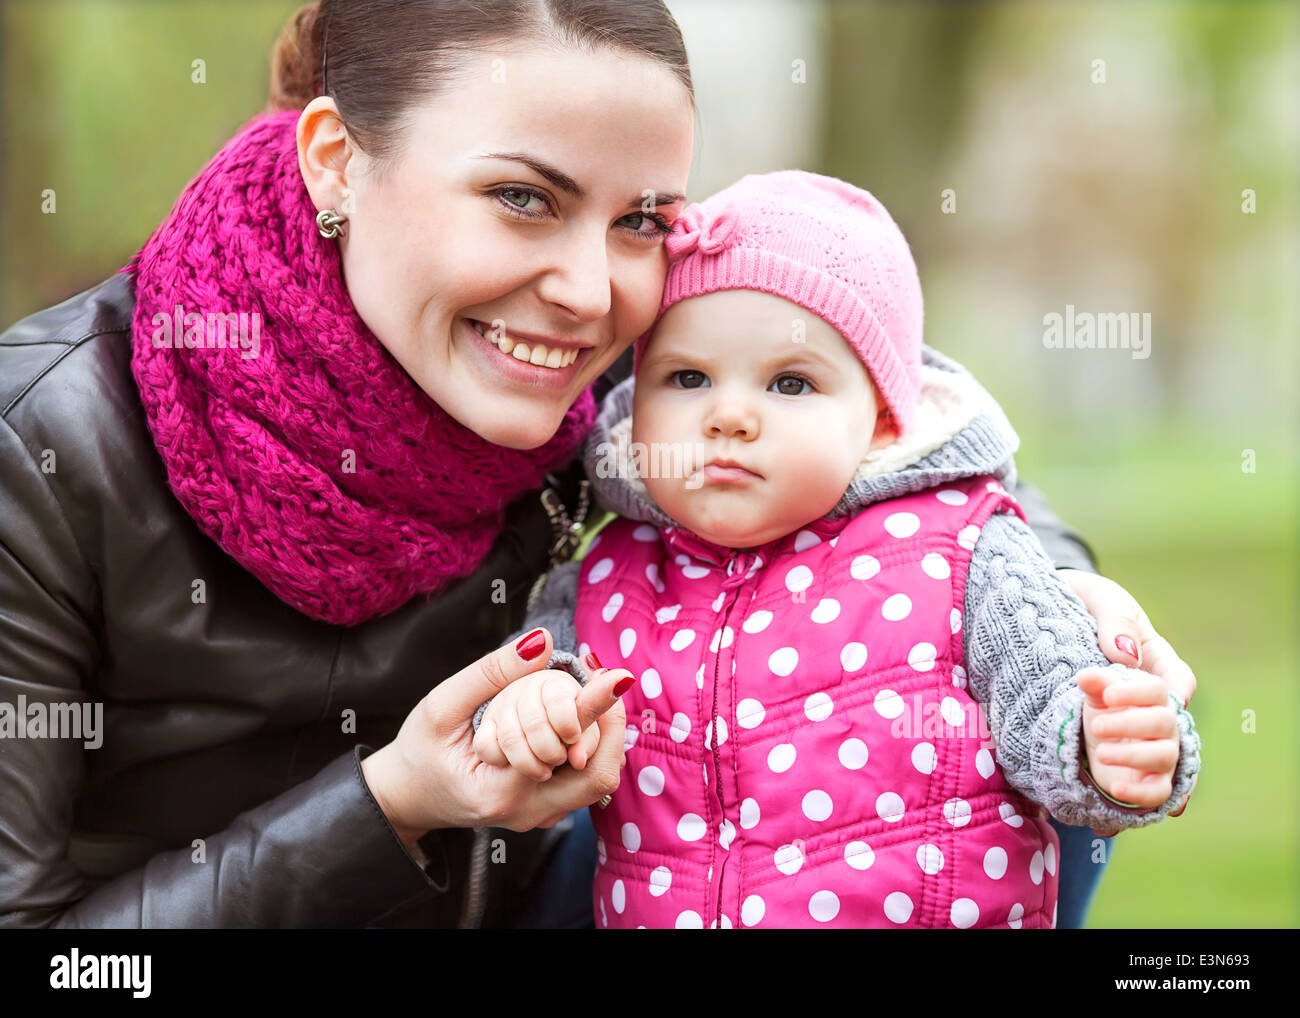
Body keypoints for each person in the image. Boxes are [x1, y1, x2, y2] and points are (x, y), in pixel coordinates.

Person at [0, 0, 1191, 929]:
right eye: (523, 199)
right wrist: (388, 806)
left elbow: (888, 425)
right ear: (333, 162)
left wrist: (1058, 590)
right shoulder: (45, 444)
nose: (587, 295)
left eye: (641, 222)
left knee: (1009, 738)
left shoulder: (599, 402)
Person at [471, 171, 1200, 928]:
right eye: (687, 377)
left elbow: (1049, 700)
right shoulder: (607, 579)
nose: (729, 416)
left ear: (885, 418)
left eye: (789, 384)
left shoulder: (964, 551)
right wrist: (534, 712)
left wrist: (1108, 747)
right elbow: (528, 700)